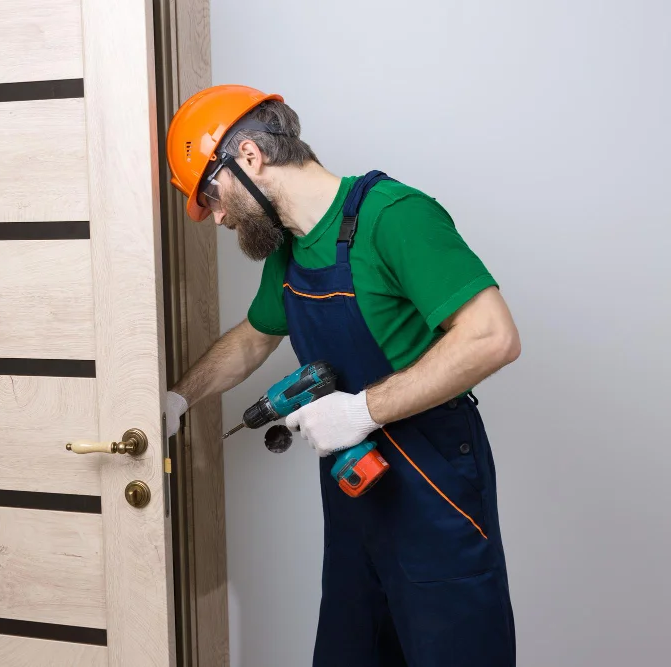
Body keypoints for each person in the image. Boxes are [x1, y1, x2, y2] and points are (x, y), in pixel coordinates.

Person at [164, 85, 520, 667]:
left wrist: (359, 411)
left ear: (249, 157)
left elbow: (493, 336)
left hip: (434, 487)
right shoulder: (289, 249)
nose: (220, 216)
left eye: (214, 193)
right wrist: (176, 398)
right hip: (356, 494)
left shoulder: (394, 216)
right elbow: (252, 340)